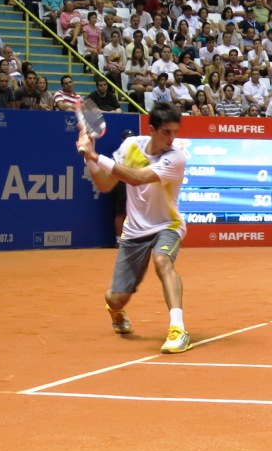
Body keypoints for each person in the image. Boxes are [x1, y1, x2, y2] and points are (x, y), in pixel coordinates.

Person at [77, 102, 191, 354]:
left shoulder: (176, 157)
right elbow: (106, 185)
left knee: (163, 260)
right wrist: (89, 159)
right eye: (166, 132)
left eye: (175, 132)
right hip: (134, 232)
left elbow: (136, 178)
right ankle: (115, 310)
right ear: (152, 129)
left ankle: (178, 329)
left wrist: (96, 155)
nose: (172, 139)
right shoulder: (131, 147)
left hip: (167, 224)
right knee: (117, 297)